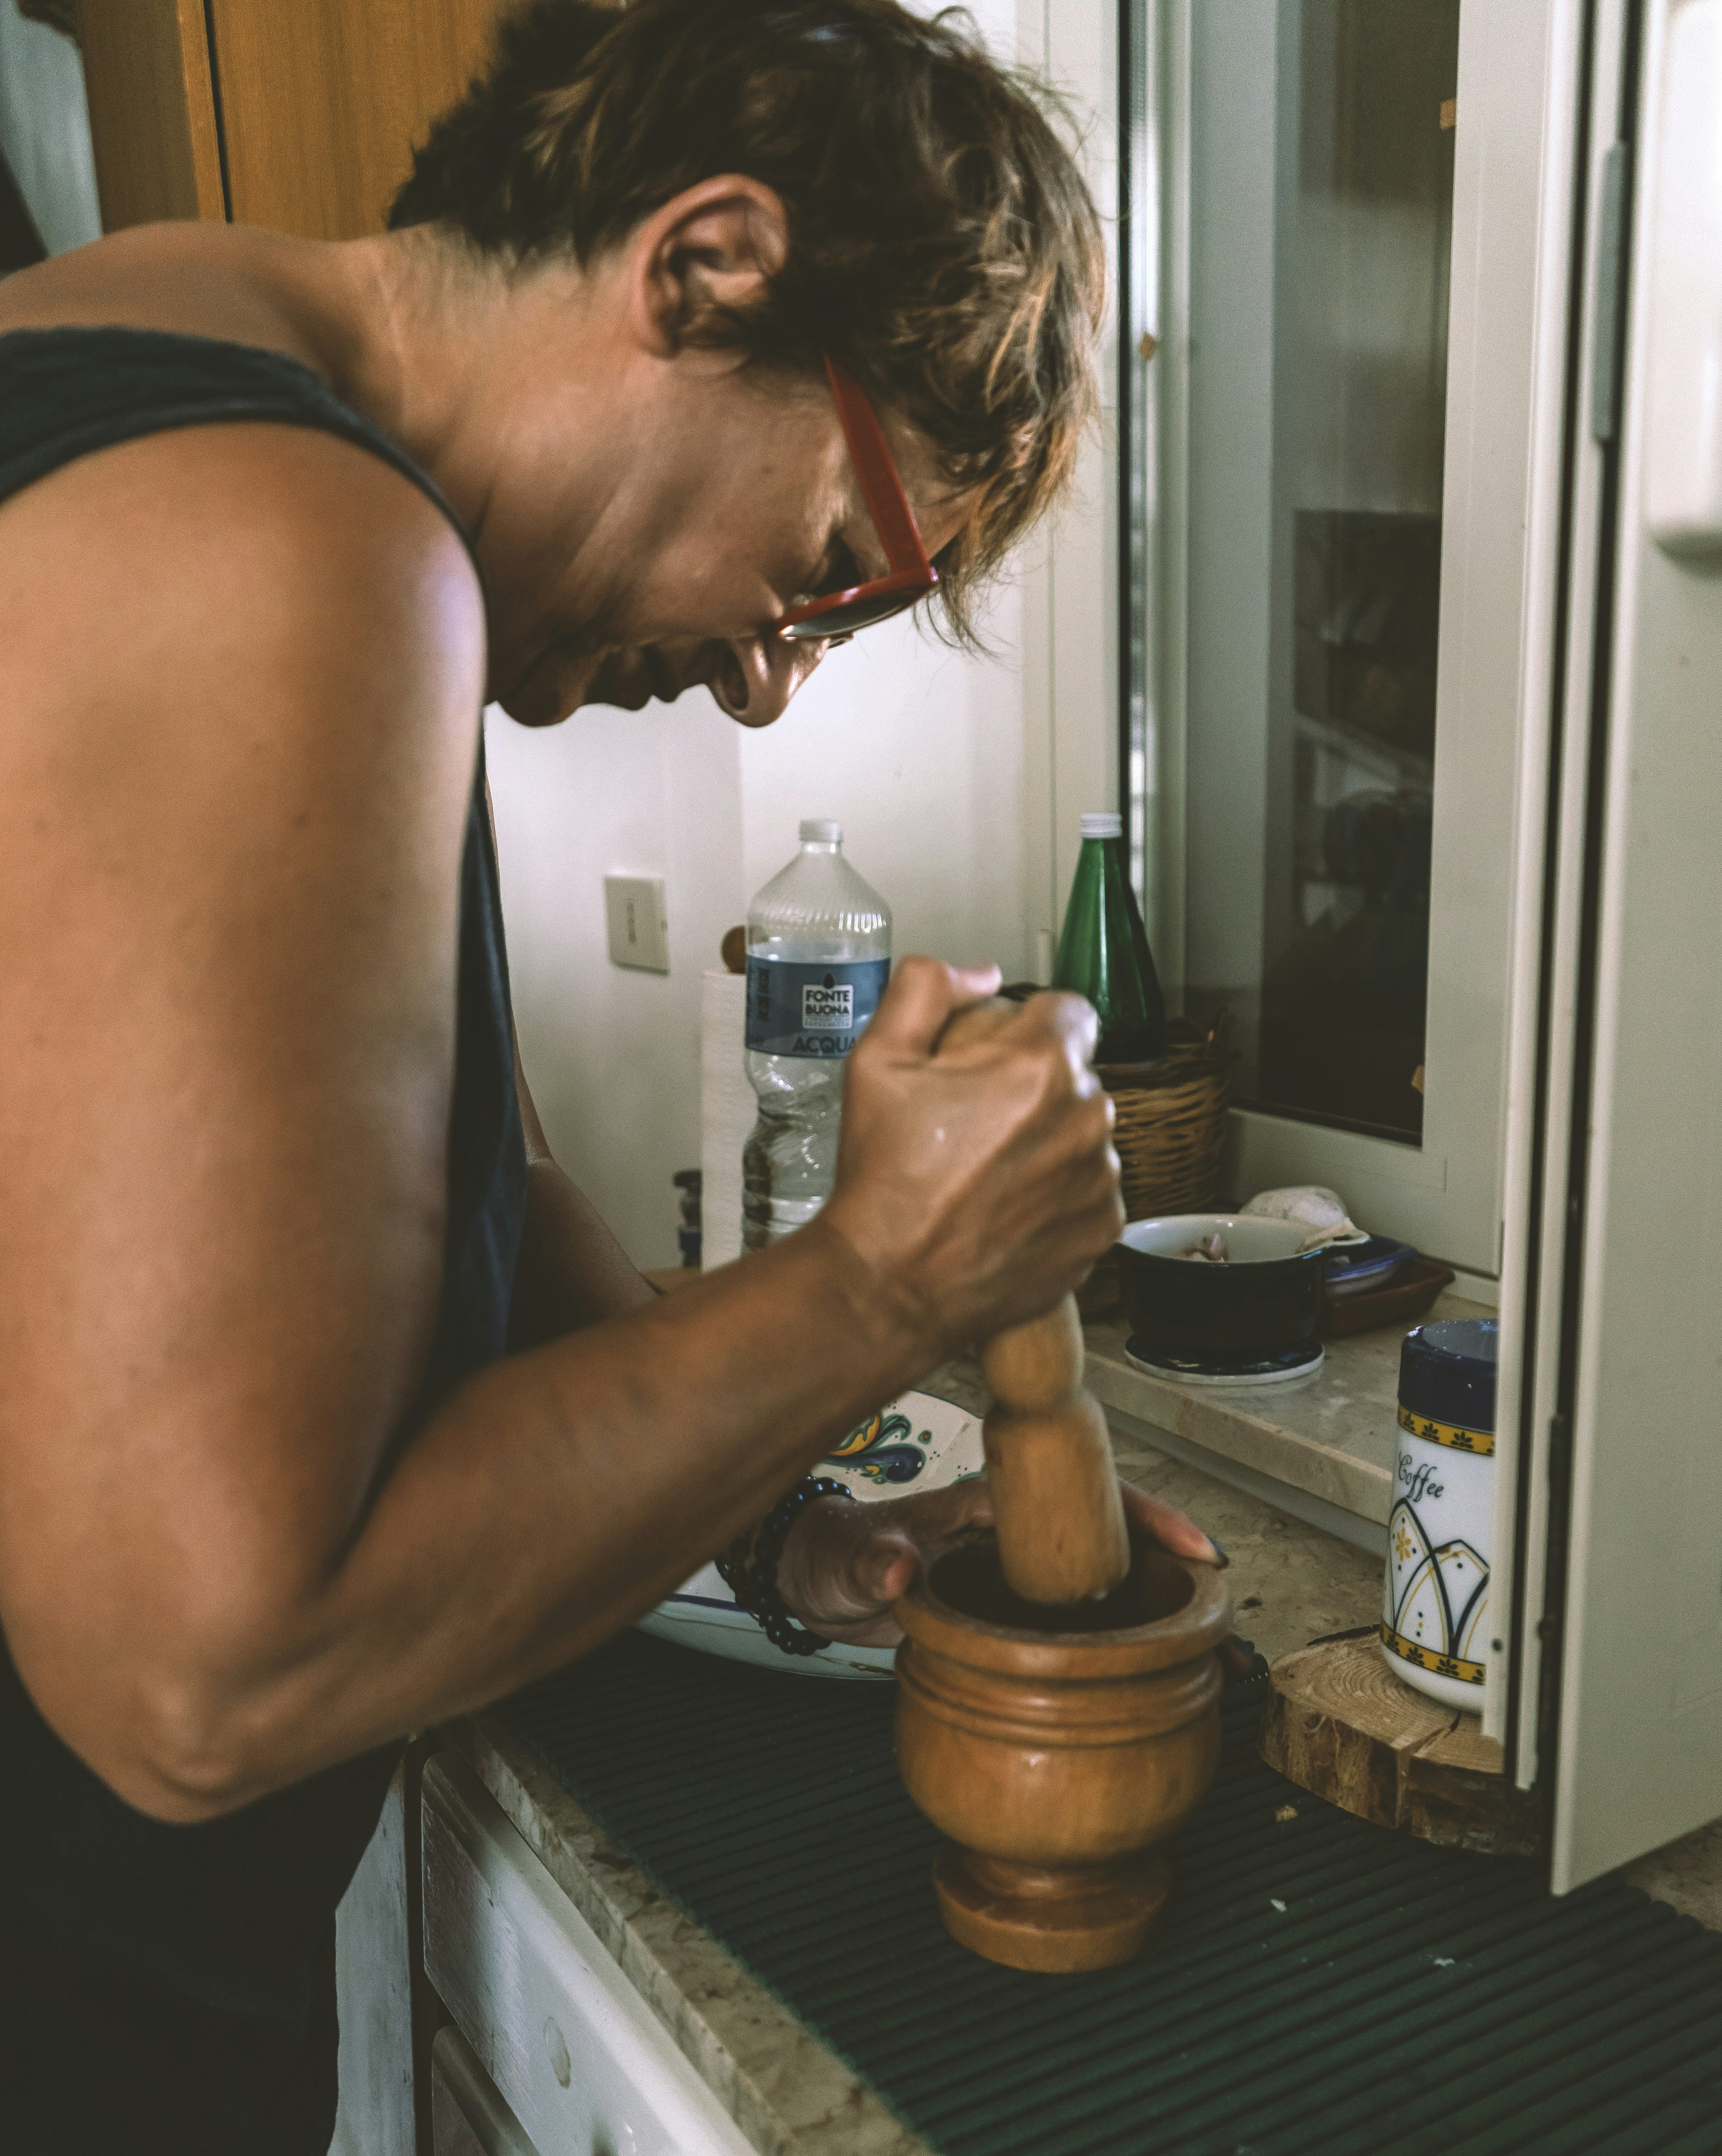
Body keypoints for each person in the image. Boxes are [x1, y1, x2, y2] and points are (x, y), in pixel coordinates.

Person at [0, 1, 1226, 2146]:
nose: (763, 679)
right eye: (837, 568)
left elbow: (483, 1174)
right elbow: (212, 1679)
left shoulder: (142, 377)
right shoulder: (295, 547)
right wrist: (878, 1281)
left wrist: (758, 1502)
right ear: (704, 264)